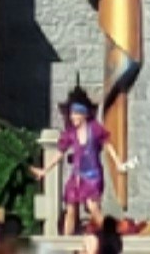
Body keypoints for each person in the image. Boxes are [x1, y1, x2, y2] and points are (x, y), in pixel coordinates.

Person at [57, 91, 112, 232]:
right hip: (77, 175)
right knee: (70, 208)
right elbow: (60, 152)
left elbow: (108, 144)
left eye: (75, 114)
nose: (72, 117)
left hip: (92, 175)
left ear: (83, 115)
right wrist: (44, 170)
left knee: (93, 207)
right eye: (71, 114)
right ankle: (66, 244)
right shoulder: (71, 133)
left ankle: (108, 236)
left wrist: (118, 163)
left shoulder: (94, 129)